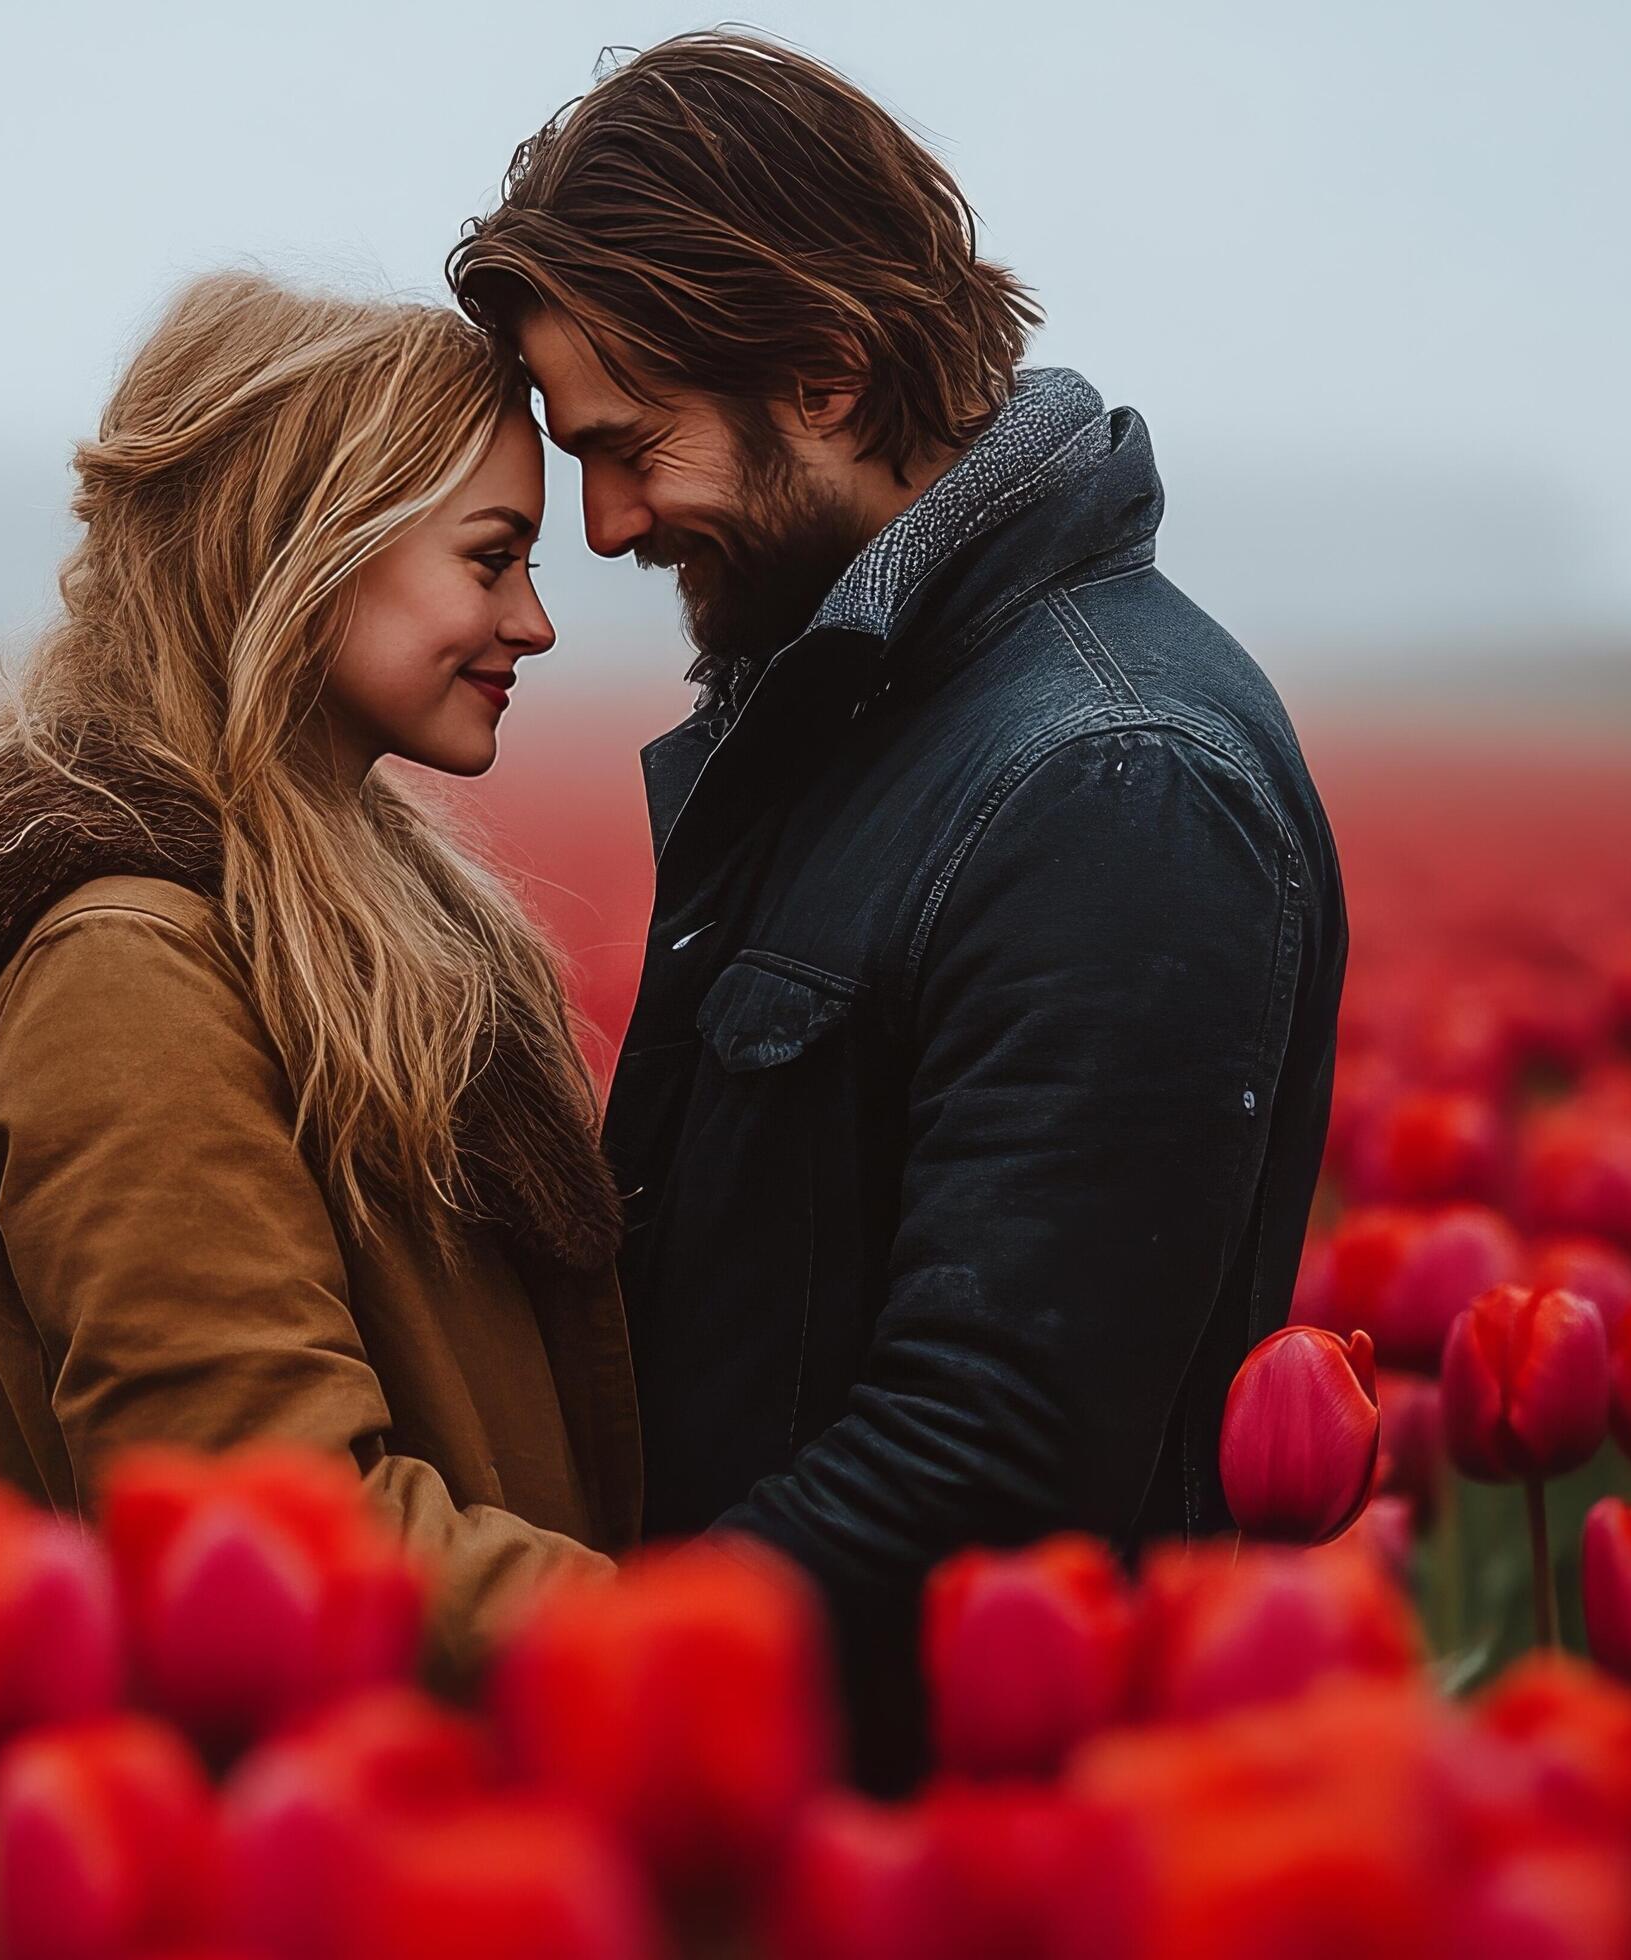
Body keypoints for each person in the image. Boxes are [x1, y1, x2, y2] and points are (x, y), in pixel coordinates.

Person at [450, 30, 1350, 1792]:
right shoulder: (868, 712)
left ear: (829, 377)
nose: (607, 525)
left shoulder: (1108, 779)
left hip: (939, 1825)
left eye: (631, 446)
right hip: (786, 1783)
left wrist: (601, 1684)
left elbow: (993, 1447)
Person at [0, 274, 640, 1951]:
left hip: (367, 1846)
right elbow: (270, 1525)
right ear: (304, 544)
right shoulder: (127, 979)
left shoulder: (366, 929)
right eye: (490, 557)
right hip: (191, 1883)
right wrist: (706, 1649)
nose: (533, 622)